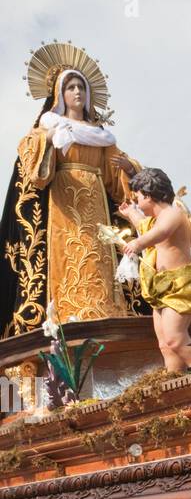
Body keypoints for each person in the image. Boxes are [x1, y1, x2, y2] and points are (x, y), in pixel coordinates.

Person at [0, 49, 139, 335]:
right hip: (62, 206)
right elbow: (34, 169)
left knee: (99, 258)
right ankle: (64, 313)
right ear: (60, 94)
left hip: (96, 204)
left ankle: (104, 311)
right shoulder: (50, 126)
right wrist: (49, 140)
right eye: (70, 87)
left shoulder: (101, 136)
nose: (77, 92)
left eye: (81, 88)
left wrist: (129, 168)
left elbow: (116, 181)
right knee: (68, 258)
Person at [118, 168, 191, 373]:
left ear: (148, 195)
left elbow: (161, 233)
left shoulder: (173, 213)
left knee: (175, 338)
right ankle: (175, 379)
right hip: (160, 289)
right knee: (165, 345)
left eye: (139, 197)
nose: (138, 202)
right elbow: (144, 225)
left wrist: (138, 243)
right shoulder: (153, 221)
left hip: (179, 287)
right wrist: (130, 212)